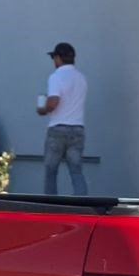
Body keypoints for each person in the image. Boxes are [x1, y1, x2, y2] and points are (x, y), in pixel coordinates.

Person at [37, 41, 90, 196]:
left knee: (51, 170)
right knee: (76, 171)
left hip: (58, 128)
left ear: (59, 58)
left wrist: (43, 109)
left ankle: (51, 205)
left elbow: (54, 101)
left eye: (54, 57)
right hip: (77, 128)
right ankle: (83, 204)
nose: (54, 61)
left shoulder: (56, 76)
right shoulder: (81, 78)